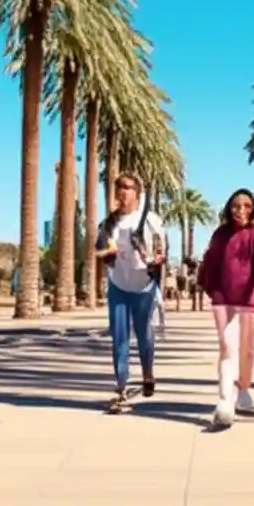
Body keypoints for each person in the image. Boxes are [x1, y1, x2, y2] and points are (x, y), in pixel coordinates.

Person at [198, 188, 254, 426]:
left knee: (247, 350)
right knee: (226, 348)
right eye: (236, 206)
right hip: (223, 299)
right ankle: (224, 399)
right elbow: (210, 262)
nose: (241, 210)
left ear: (253, 210)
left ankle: (243, 388)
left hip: (249, 302)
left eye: (246, 206)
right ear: (229, 209)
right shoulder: (220, 234)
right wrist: (212, 290)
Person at [94, 172, 166, 412]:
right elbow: (99, 252)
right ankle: (121, 387)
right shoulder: (108, 224)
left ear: (138, 192)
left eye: (128, 188)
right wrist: (108, 254)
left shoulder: (150, 220)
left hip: (144, 286)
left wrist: (156, 258)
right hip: (118, 286)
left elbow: (160, 249)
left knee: (145, 336)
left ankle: (148, 373)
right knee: (119, 338)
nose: (123, 193)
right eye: (119, 188)